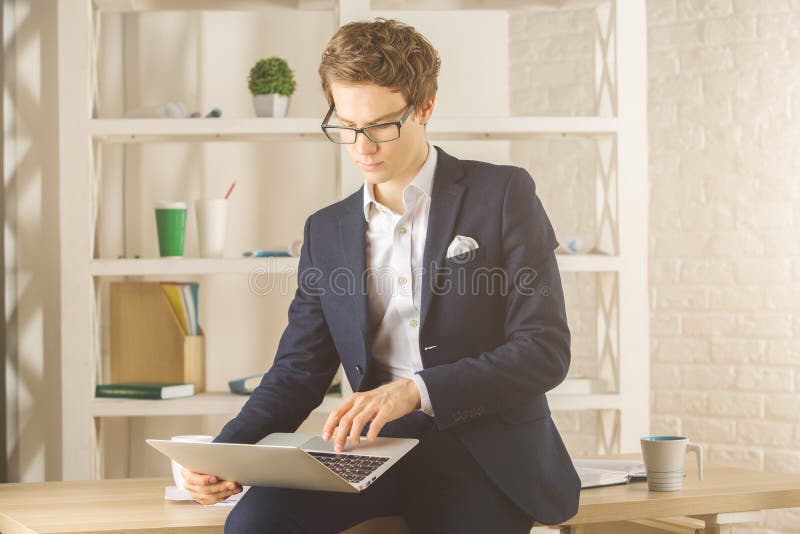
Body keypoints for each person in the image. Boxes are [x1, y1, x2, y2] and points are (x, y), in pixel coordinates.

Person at [181, 17, 580, 533]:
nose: (361, 147)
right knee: (255, 525)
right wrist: (226, 455)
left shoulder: (503, 195)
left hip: (483, 453)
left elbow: (544, 350)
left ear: (426, 106)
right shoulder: (325, 230)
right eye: (345, 126)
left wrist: (416, 390)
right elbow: (298, 371)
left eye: (380, 127)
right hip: (370, 452)